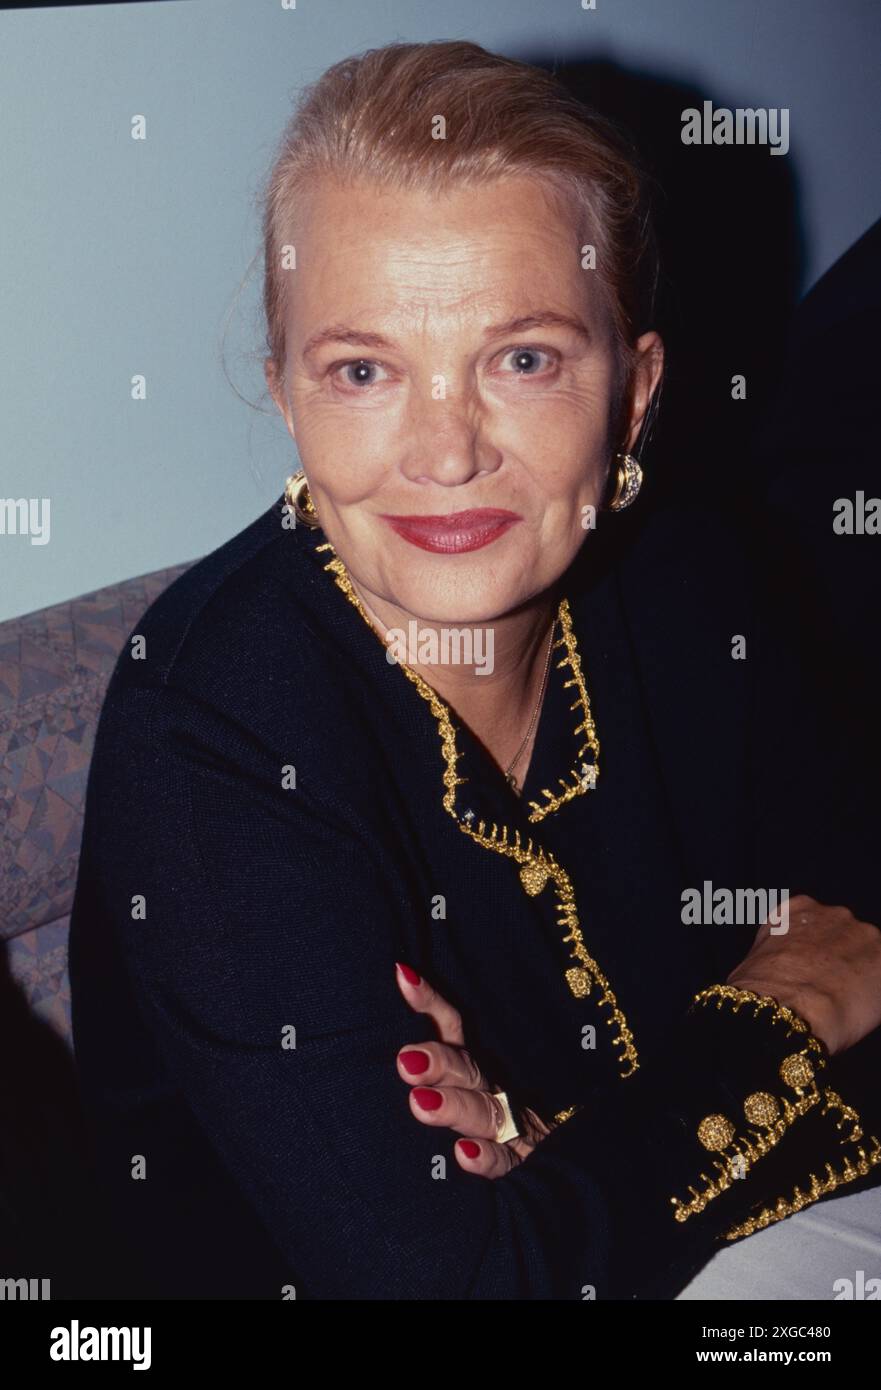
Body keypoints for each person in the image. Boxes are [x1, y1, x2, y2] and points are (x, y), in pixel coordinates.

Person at [68, 40, 881, 1301]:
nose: (445, 453)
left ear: (634, 393)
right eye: (362, 370)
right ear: (284, 396)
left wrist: (582, 1164)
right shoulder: (206, 736)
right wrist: (773, 1016)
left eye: (523, 359)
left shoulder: (699, 578)